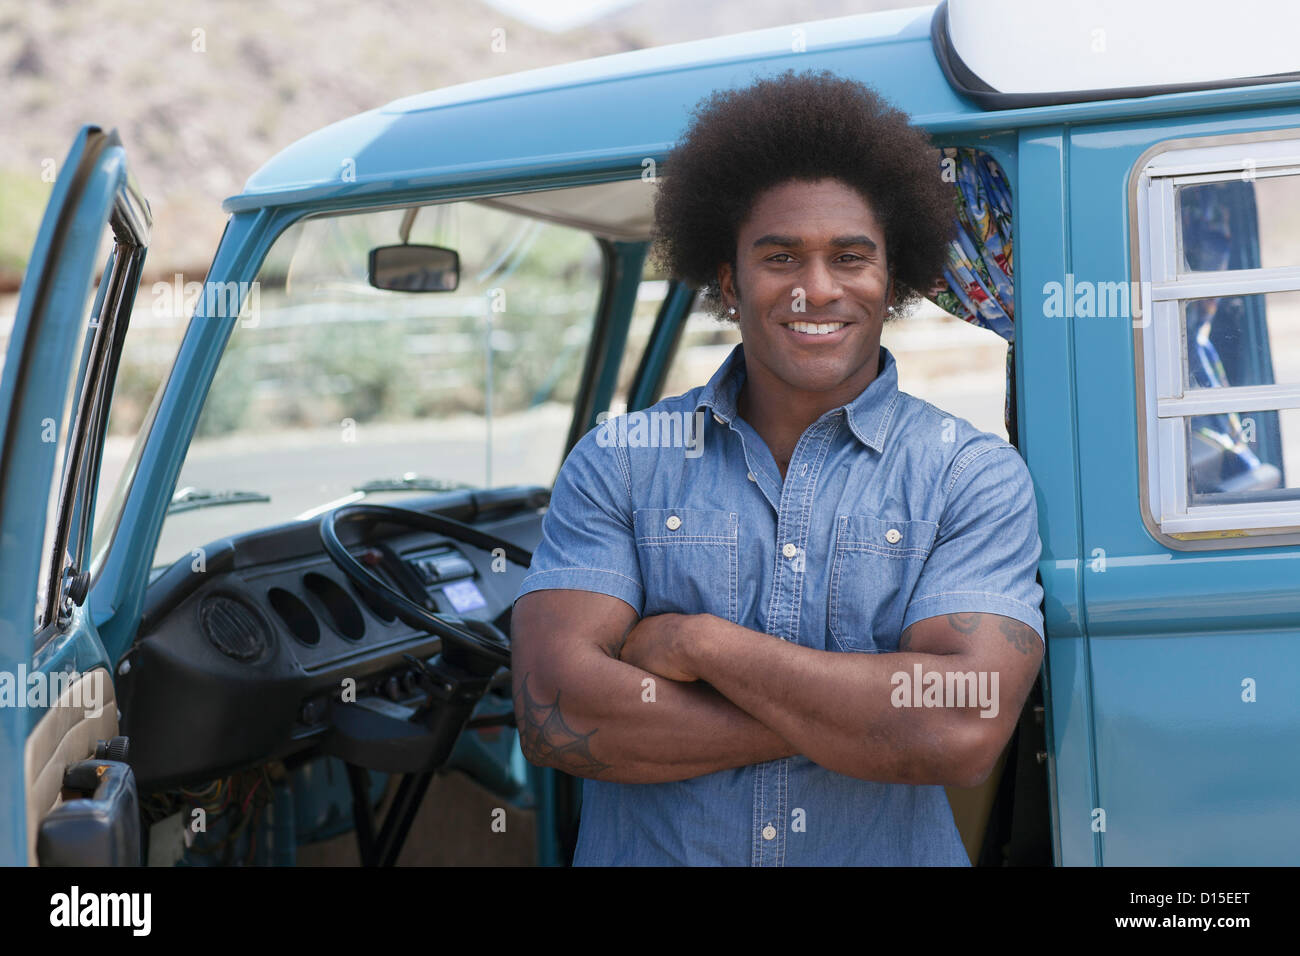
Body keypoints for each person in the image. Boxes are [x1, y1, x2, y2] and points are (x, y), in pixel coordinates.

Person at [510, 68, 1045, 866]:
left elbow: (958, 727)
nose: (816, 289)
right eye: (781, 256)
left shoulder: (969, 476)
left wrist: (700, 646)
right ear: (729, 282)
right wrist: (860, 720)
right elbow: (556, 712)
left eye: (851, 257)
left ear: (892, 281)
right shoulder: (621, 462)